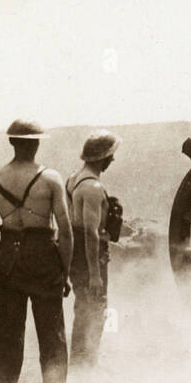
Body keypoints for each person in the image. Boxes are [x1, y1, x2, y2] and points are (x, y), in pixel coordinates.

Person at [0, 120, 73, 383]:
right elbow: (66, 231)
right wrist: (65, 271)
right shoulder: (50, 178)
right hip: (43, 258)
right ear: (36, 144)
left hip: (8, 259)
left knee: (8, 337)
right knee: (53, 337)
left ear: (12, 143)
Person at [66, 130, 119, 368]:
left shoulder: (73, 180)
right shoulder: (93, 187)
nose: (112, 160)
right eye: (110, 156)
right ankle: (85, 367)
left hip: (76, 255)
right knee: (94, 311)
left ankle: (81, 365)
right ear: (101, 158)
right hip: (90, 257)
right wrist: (95, 274)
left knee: (84, 309)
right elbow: (90, 232)